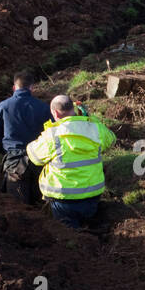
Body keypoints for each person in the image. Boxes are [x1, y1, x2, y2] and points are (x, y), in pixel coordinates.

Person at [26, 94, 116, 228]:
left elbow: (35, 157)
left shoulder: (52, 135)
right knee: (88, 227)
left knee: (69, 234)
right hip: (92, 197)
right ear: (73, 109)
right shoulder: (94, 128)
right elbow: (111, 139)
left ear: (55, 112)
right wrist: (89, 118)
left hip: (64, 200)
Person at [0, 72, 49, 205]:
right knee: (41, 205)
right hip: (40, 161)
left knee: (17, 207)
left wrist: (4, 151)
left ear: (14, 87)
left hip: (15, 162)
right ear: (32, 88)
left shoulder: (2, 107)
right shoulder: (44, 108)